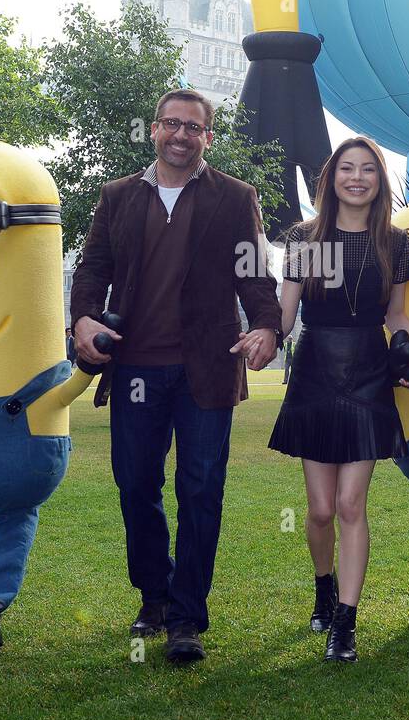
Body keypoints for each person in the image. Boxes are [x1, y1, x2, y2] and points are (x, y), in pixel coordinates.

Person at [69, 88, 283, 665]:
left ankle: (187, 616)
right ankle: (154, 595)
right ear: (155, 130)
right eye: (172, 124)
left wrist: (268, 326)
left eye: (194, 127)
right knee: (136, 484)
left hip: (205, 371)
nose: (182, 135)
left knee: (201, 489)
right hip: (135, 366)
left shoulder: (235, 197)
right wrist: (83, 319)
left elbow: (254, 274)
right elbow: (92, 269)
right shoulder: (117, 197)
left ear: (208, 138)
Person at [269, 136, 409, 663]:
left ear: (380, 180)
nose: (356, 177)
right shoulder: (303, 238)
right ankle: (322, 587)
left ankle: (345, 622)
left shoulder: (396, 242)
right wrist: (264, 335)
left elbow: (397, 315)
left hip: (368, 374)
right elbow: (285, 313)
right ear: (331, 178)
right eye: (346, 168)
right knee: (318, 510)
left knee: (348, 504)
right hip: (315, 373)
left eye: (368, 169)